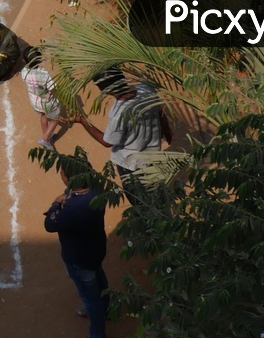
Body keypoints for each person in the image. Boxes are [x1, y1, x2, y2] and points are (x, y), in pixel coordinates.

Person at [78, 71, 171, 204]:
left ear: (105, 90)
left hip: (130, 164)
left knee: (139, 200)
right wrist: (167, 131)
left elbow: (107, 142)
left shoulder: (118, 113)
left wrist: (82, 121)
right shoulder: (146, 89)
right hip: (153, 155)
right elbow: (160, 112)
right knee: (155, 188)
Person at [43, 157, 108, 338]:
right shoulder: (97, 190)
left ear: (70, 179)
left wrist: (56, 203)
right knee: (100, 279)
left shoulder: (73, 208)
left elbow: (49, 224)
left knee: (90, 299)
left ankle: (97, 334)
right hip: (96, 248)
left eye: (63, 174)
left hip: (79, 258)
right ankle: (108, 310)